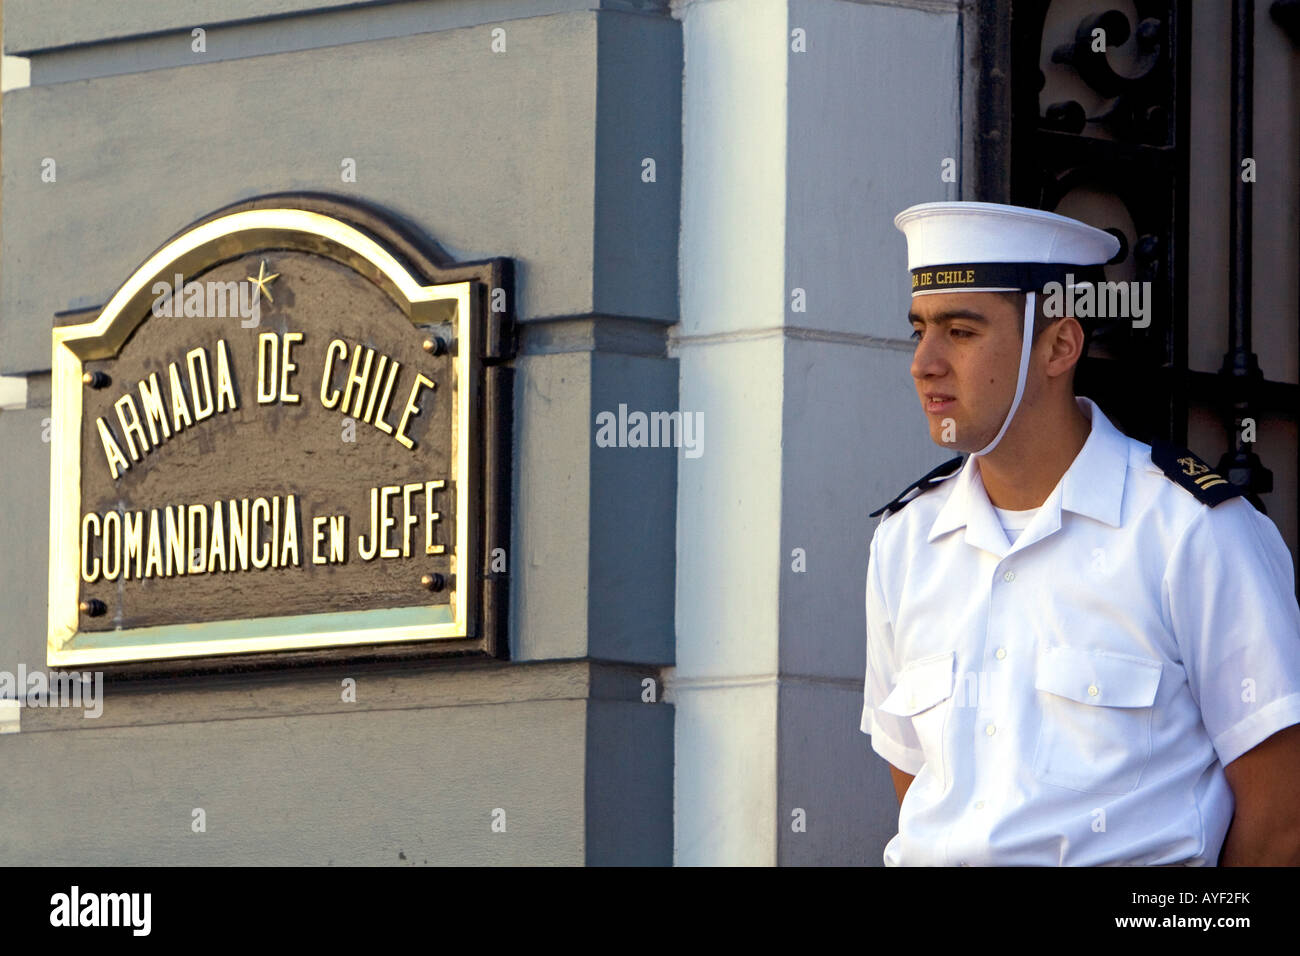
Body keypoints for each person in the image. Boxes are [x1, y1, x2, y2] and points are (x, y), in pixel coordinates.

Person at [860, 200, 1300, 866]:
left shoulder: (1192, 533)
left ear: (1060, 345)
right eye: (919, 329)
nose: (924, 362)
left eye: (961, 331)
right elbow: (922, 789)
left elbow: (1281, 815)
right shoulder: (905, 541)